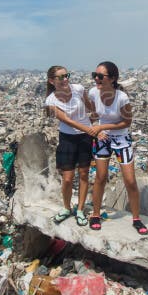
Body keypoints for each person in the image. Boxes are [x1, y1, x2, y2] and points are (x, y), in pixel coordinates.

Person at [87, 61, 148, 235]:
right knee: (100, 177)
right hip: (102, 138)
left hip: (121, 139)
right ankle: (96, 214)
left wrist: (102, 127)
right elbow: (92, 114)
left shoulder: (121, 97)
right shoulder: (93, 93)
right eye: (95, 75)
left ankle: (136, 218)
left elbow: (127, 122)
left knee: (130, 180)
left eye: (100, 76)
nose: (96, 79)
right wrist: (97, 130)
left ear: (112, 79)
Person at [44, 65, 93, 226]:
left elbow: (89, 106)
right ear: (52, 81)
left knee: (84, 174)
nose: (66, 79)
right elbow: (68, 121)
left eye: (67, 75)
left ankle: (80, 209)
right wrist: (90, 129)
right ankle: (66, 208)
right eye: (61, 77)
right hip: (68, 138)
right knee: (67, 178)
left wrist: (101, 118)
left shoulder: (78, 89)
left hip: (85, 138)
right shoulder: (50, 100)